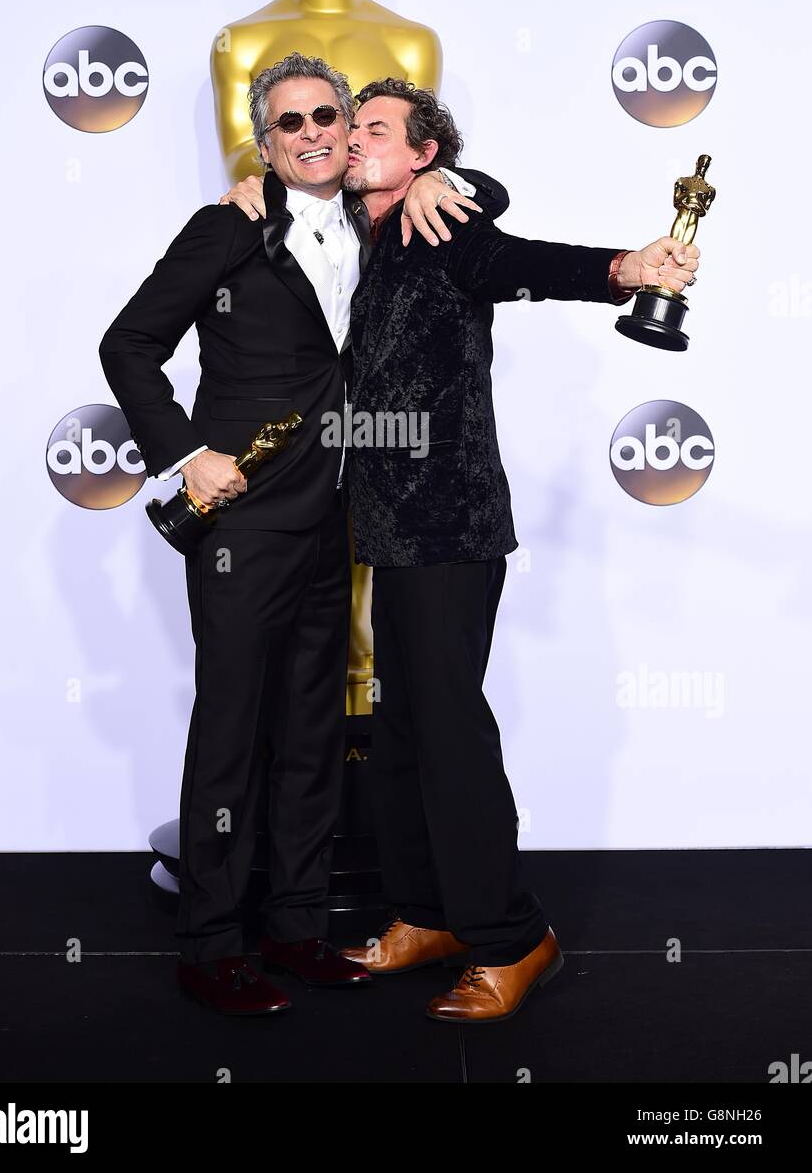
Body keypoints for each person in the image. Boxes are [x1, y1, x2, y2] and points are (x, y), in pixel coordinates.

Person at [99, 53, 506, 1017]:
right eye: (291, 123)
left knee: (314, 736)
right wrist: (184, 452)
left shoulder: (384, 223)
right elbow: (128, 344)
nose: (316, 132)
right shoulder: (227, 227)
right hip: (242, 523)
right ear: (264, 141)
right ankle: (210, 944)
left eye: (330, 114)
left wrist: (455, 176)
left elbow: (479, 206)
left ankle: (294, 929)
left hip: (338, 517)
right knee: (233, 731)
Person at [329, 78, 699, 1022]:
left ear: (422, 156)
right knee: (401, 730)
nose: (353, 137)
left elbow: (516, 259)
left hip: (451, 525)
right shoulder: (351, 235)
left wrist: (625, 268)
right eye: (348, 124)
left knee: (450, 736)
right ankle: (426, 914)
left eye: (377, 127)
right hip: (385, 526)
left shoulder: (441, 222)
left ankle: (512, 936)